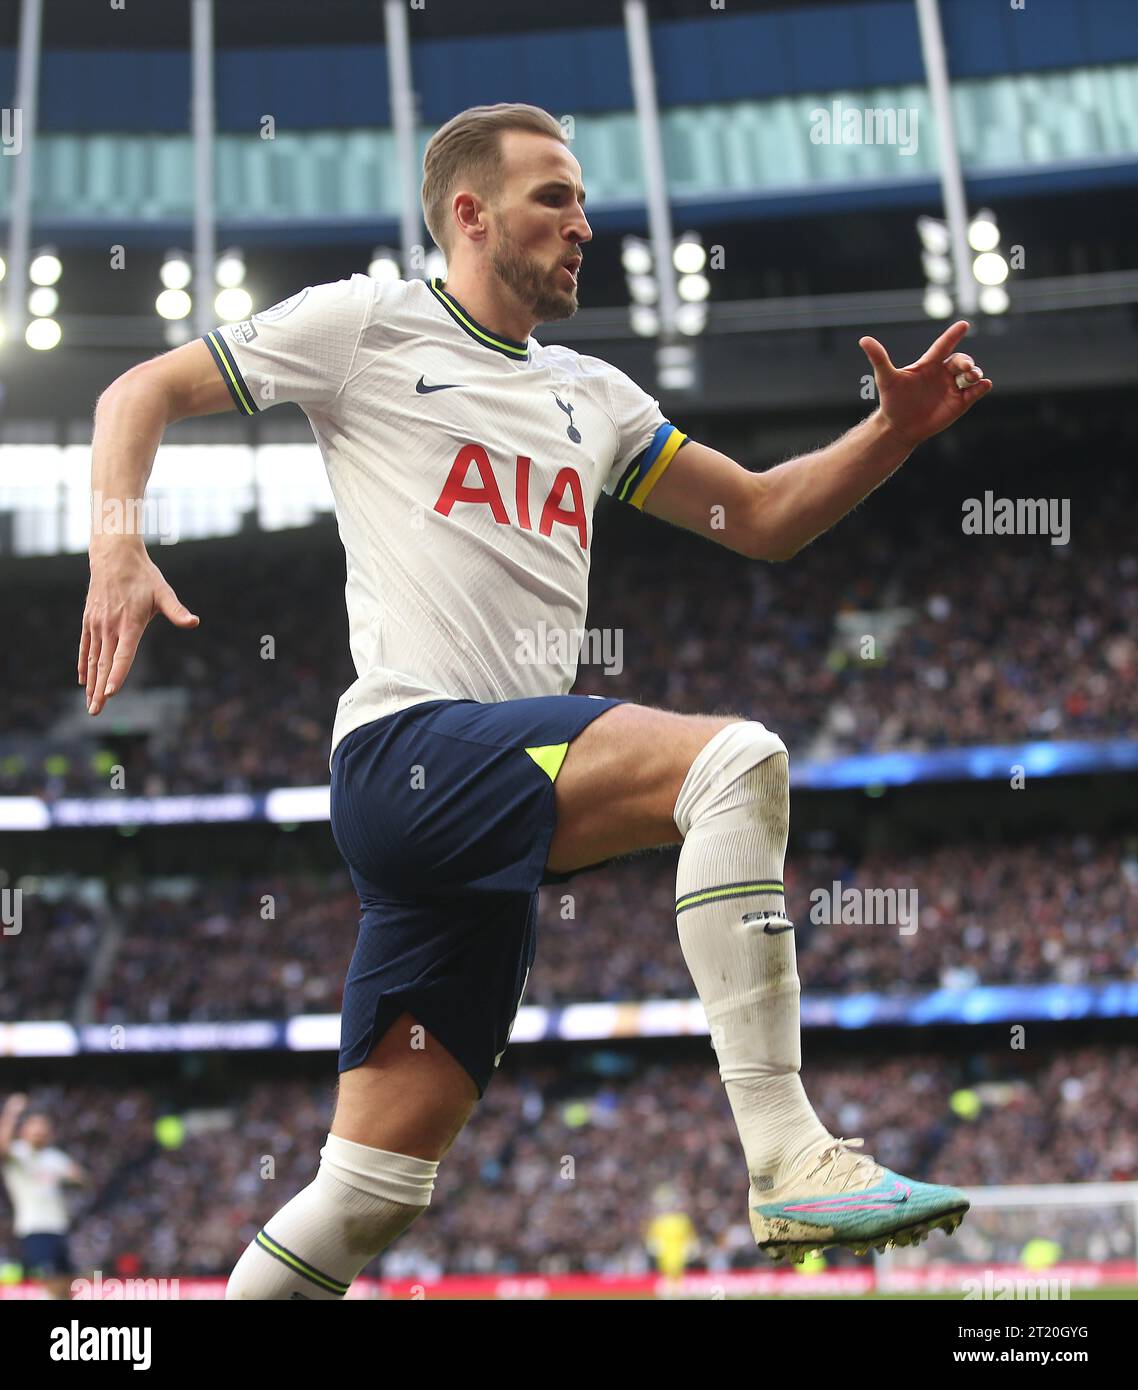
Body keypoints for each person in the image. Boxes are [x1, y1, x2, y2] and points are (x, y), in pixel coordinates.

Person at [80, 103, 992, 1298]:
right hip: (408, 755)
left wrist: (889, 434)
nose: (584, 224)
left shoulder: (591, 395)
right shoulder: (367, 323)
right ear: (468, 214)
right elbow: (136, 391)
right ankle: (787, 1153)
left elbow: (761, 518)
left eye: (583, 202)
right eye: (552, 199)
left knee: (366, 1192)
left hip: (478, 824)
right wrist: (115, 549)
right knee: (735, 761)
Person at [0, 1095, 88, 1299]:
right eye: (35, 1125)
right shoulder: (19, 1153)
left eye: (43, 1125)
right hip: (35, 1228)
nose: (40, 1130)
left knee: (67, 1286)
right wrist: (11, 1113)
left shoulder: (54, 1157)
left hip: (59, 1229)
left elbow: (82, 1178)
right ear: (23, 1130)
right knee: (45, 1280)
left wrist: (77, 1177)